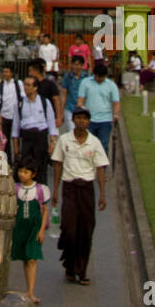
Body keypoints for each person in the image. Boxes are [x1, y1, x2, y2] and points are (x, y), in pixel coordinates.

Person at [51, 107, 109, 284]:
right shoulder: (64, 140)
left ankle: (81, 271)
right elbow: (58, 164)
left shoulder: (94, 142)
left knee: (86, 231)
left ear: (88, 121)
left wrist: (102, 195)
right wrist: (55, 190)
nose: (81, 121)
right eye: (78, 118)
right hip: (69, 187)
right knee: (69, 230)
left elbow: (100, 169)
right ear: (73, 120)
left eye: (85, 118)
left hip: (87, 189)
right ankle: (69, 265)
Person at [11, 158, 50, 304]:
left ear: (33, 174)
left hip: (34, 227)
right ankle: (29, 289)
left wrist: (41, 230)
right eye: (20, 171)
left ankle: (31, 291)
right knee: (25, 257)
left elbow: (45, 210)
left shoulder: (40, 190)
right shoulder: (16, 189)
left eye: (26, 172)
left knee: (32, 258)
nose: (22, 174)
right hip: (20, 227)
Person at [13, 75, 57, 185]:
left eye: (28, 85)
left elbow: (51, 123)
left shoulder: (44, 102)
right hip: (27, 138)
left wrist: (52, 142)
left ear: (35, 87)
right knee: (25, 167)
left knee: (41, 167)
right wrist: (16, 146)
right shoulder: (20, 103)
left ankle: (42, 194)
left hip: (40, 138)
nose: (25, 87)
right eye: (25, 85)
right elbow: (16, 125)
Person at [76, 59, 120, 157]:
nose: (100, 79)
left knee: (103, 145)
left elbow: (116, 102)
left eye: (103, 77)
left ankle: (102, 168)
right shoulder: (85, 83)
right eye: (99, 77)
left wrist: (116, 114)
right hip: (89, 120)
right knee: (87, 144)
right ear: (94, 74)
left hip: (105, 120)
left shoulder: (111, 85)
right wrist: (79, 113)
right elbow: (81, 99)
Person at [28, 56, 63, 128]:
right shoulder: (29, 84)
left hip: (48, 118)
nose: (29, 73)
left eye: (30, 71)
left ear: (36, 70)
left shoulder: (50, 83)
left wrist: (58, 117)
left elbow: (56, 100)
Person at [60, 54, 87, 127]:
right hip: (69, 108)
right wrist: (61, 112)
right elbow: (63, 95)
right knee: (72, 132)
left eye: (77, 65)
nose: (75, 67)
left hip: (83, 110)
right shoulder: (67, 77)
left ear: (82, 65)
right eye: (73, 64)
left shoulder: (86, 77)